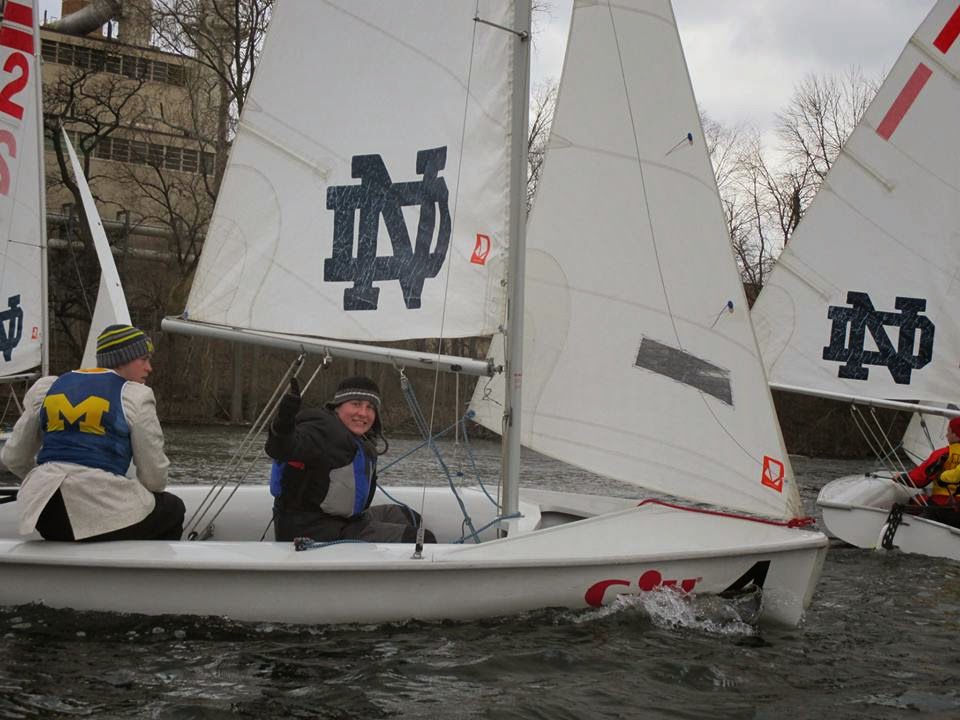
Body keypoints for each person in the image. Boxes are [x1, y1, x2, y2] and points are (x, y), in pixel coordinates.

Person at [0, 324, 185, 541]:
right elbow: (154, 478)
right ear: (123, 359)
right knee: (173, 509)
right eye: (143, 359)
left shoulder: (48, 387)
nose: (149, 368)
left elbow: (13, 458)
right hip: (96, 510)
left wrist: (47, 480)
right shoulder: (135, 396)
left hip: (44, 513)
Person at [266, 375, 436, 544]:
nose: (363, 413)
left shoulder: (360, 440)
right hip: (314, 530)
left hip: (346, 520)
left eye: (370, 407)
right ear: (337, 407)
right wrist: (283, 423)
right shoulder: (320, 430)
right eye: (356, 404)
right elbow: (281, 447)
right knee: (424, 539)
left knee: (409, 517)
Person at [894, 416, 960, 528]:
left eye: (949, 431)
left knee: (916, 505)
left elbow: (919, 480)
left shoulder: (943, 454)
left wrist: (900, 477)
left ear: (955, 434)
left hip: (942, 507)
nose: (946, 435)